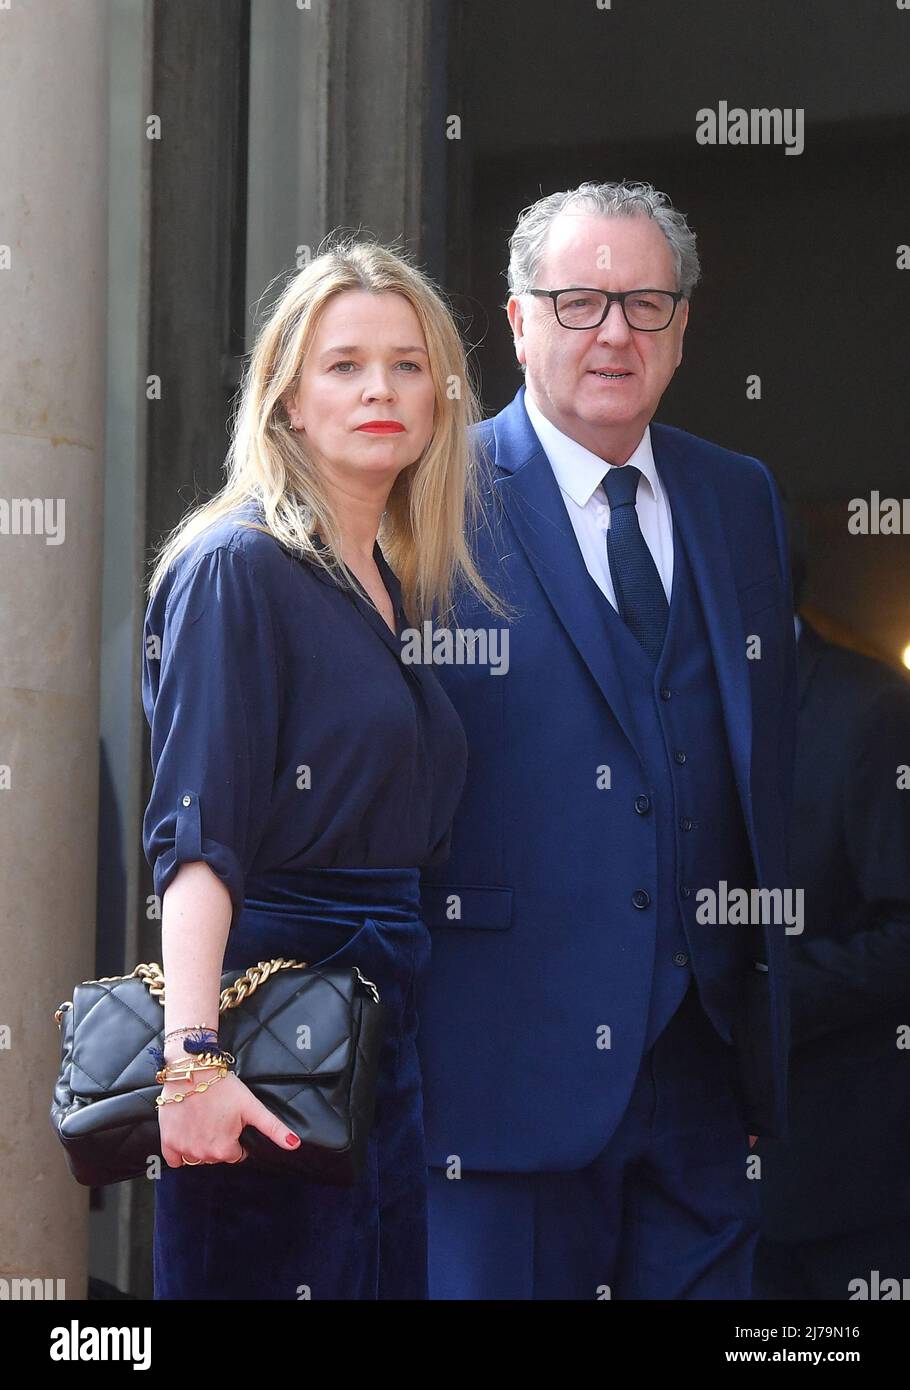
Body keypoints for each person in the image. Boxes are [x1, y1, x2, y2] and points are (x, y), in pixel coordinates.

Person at [416, 179, 799, 1299]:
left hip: (706, 1076)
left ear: (682, 327)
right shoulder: (432, 495)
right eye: (579, 303)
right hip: (504, 1077)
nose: (615, 333)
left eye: (645, 304)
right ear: (518, 319)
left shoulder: (739, 497)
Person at [141, 236, 503, 1300]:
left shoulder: (385, 580)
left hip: (374, 1037)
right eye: (344, 365)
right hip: (265, 1039)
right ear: (288, 401)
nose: (380, 389)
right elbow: (198, 838)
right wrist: (191, 1061)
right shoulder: (236, 564)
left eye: (406, 365)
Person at [753, 544, 910, 1298]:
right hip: (691, 1181)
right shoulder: (671, 707)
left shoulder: (873, 710)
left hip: (840, 1175)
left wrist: (758, 1004)